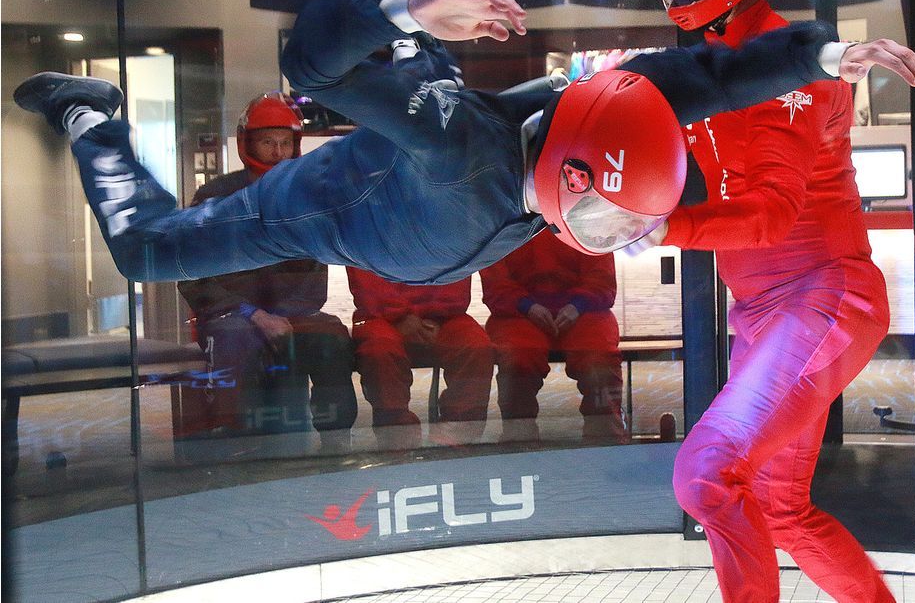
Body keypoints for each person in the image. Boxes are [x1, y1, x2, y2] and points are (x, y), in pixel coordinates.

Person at [12, 0, 915, 288]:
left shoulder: (617, 111)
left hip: (436, 185)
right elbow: (314, 73)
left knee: (432, 96)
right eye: (607, 219)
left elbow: (715, 75)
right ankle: (89, 114)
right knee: (143, 254)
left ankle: (422, 42)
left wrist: (823, 59)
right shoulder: (459, 149)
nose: (604, 239)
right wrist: (402, 7)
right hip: (342, 208)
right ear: (569, 177)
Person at [630, 0, 906, 603]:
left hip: (823, 299)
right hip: (766, 312)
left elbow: (770, 217)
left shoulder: (796, 70)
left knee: (706, 473)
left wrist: (662, 227)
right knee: (779, 506)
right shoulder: (713, 66)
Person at [176, 93, 357, 450]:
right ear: (248, 143)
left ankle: (337, 439)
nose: (277, 152)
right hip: (230, 315)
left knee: (331, 337)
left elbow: (313, 268)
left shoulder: (309, 196)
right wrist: (254, 314)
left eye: (285, 143)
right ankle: (235, 439)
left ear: (296, 145)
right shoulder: (216, 196)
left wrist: (284, 314)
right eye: (267, 142)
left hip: (292, 314)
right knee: (239, 341)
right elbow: (192, 275)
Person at [480, 228, 623, 443]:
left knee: (598, 358)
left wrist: (578, 305)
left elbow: (601, 274)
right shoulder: (502, 216)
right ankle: (519, 439)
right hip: (518, 312)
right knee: (518, 357)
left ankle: (606, 438)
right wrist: (526, 306)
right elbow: (496, 281)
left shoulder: (585, 213)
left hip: (585, 311)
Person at [347, 268, 494, 450]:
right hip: (380, 315)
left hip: (444, 317)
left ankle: (459, 435)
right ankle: (396, 437)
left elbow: (457, 267)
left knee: (476, 347)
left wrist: (438, 313)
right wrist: (401, 316)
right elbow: (364, 276)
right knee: (379, 352)